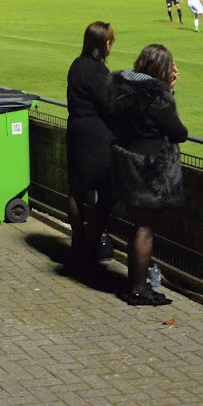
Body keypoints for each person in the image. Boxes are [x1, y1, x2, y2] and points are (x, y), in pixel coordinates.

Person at [106, 43, 188, 307]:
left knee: (138, 227)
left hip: (127, 165)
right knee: (144, 229)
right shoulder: (157, 97)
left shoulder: (121, 88)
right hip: (149, 170)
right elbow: (179, 132)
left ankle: (135, 285)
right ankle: (139, 290)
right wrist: (170, 91)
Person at [64, 22, 116, 275]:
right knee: (107, 193)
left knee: (77, 189)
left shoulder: (76, 64)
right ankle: (89, 244)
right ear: (104, 44)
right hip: (96, 138)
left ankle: (78, 240)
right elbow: (110, 105)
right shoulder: (98, 71)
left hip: (76, 133)